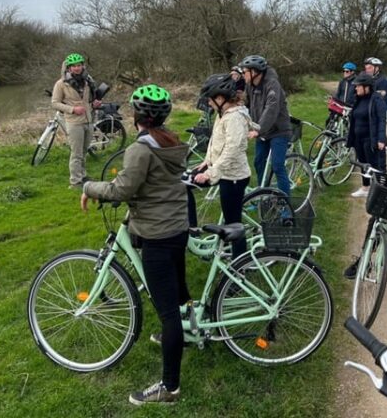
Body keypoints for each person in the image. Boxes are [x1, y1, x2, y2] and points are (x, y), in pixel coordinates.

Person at [82, 84, 190, 405]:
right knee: (179, 296)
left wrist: (88, 187)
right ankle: (184, 334)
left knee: (168, 313)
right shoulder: (170, 141)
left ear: (136, 115)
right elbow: (153, 186)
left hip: (157, 235)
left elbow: (121, 190)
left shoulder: (141, 149)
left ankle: (169, 388)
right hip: (177, 227)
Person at [192, 73, 256, 258]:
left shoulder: (234, 118)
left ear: (220, 98)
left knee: (233, 223)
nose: (208, 102)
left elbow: (231, 150)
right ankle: (194, 231)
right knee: (187, 182)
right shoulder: (223, 114)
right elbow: (216, 140)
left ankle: (240, 263)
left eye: (210, 99)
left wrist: (211, 173)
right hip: (223, 171)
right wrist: (207, 161)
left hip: (234, 177)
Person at [240, 54, 292, 196]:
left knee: (277, 165)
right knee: (258, 162)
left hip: (279, 130)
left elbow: (271, 108)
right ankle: (264, 194)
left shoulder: (272, 84)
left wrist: (258, 129)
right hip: (262, 131)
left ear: (254, 72)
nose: (243, 74)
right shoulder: (250, 85)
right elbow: (244, 103)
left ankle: (284, 203)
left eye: (245, 71)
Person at [51, 53, 102, 188]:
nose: (77, 68)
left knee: (84, 151)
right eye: (73, 66)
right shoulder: (61, 84)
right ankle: (75, 182)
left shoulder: (87, 81)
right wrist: (72, 109)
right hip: (74, 123)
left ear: (83, 66)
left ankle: (83, 176)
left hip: (88, 120)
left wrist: (94, 104)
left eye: (79, 65)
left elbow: (88, 101)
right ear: (69, 68)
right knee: (76, 153)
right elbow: (55, 103)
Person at [345, 72, 387, 199]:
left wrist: (381, 139)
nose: (356, 88)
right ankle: (365, 187)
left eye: (358, 86)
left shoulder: (376, 99)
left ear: (367, 87)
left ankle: (378, 190)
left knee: (374, 165)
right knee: (363, 164)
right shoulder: (358, 99)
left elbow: (382, 120)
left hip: (371, 138)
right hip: (358, 138)